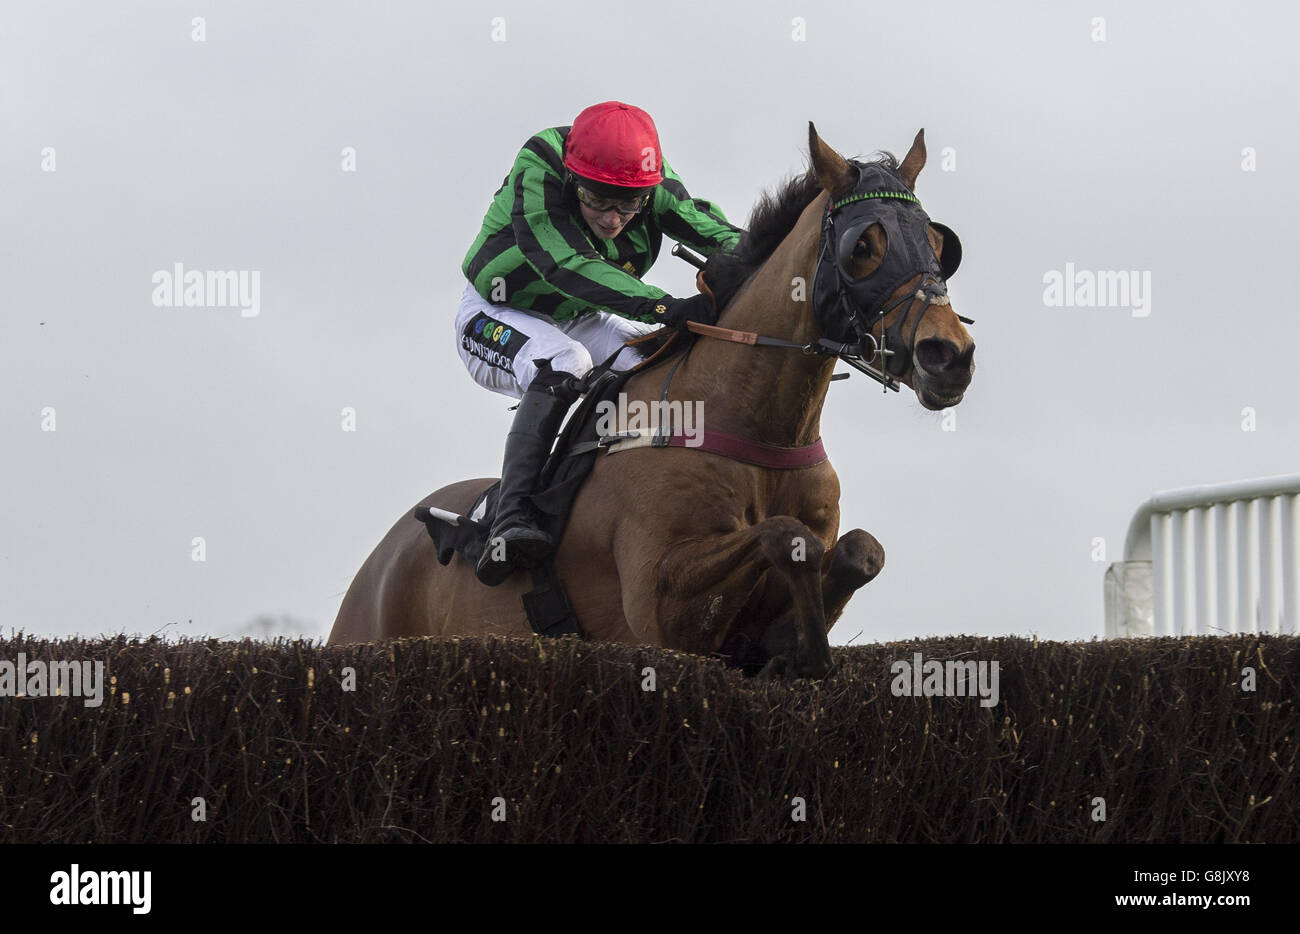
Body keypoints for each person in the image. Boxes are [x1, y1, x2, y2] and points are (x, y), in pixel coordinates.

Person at [457, 100, 743, 585]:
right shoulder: (540, 164)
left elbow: (722, 236)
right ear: (572, 180)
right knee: (567, 360)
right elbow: (567, 264)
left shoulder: (652, 185)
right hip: (495, 313)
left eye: (629, 203)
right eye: (598, 199)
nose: (614, 218)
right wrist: (664, 307)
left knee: (654, 353)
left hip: (577, 315)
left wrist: (778, 267)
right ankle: (510, 517)